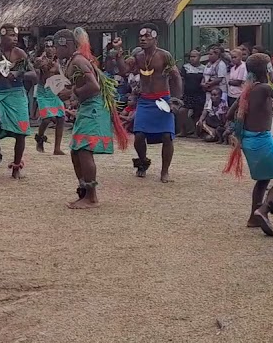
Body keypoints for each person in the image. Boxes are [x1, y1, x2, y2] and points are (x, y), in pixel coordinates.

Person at [53, 28, 129, 208]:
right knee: (76, 151)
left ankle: (91, 197)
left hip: (94, 108)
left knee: (84, 149)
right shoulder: (74, 60)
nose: (56, 50)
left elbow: (94, 87)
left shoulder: (78, 60)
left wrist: (71, 92)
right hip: (88, 107)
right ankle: (84, 190)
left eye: (58, 46)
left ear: (68, 44)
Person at [224, 54, 273, 236]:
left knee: (263, 179)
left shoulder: (248, 90)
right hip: (261, 140)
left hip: (249, 141)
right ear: (267, 70)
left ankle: (253, 218)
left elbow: (228, 115)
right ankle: (263, 211)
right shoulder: (264, 88)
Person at [129, 25, 183, 182]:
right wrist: (118, 55)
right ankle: (142, 162)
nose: (143, 39)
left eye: (147, 37)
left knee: (167, 136)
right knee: (139, 135)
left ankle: (164, 171)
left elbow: (176, 77)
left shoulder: (165, 56)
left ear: (155, 38)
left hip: (163, 99)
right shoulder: (137, 57)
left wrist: (176, 100)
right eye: (141, 37)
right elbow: (125, 71)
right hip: (145, 100)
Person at [0, 24, 35, 178]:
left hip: (17, 95)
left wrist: (19, 73)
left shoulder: (20, 54)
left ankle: (16, 168)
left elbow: (34, 75)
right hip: (1, 94)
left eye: (16, 36)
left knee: (20, 134)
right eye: (11, 36)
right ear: (1, 37)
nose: (14, 39)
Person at [33, 38, 68, 155]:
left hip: (53, 92)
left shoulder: (58, 62)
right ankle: (40, 138)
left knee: (61, 117)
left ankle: (57, 148)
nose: (50, 49)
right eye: (47, 46)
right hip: (43, 92)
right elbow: (37, 64)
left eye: (52, 46)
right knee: (47, 119)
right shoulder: (40, 60)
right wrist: (43, 61)